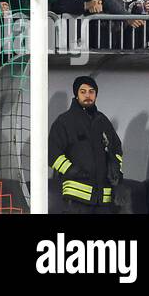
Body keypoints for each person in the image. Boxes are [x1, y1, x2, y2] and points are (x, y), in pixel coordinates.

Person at [48, 76, 124, 214]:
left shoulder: (103, 121)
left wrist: (115, 166)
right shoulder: (65, 121)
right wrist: (71, 170)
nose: (87, 95)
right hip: (76, 197)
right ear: (76, 95)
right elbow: (52, 153)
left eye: (91, 91)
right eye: (83, 92)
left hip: (104, 198)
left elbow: (117, 148)